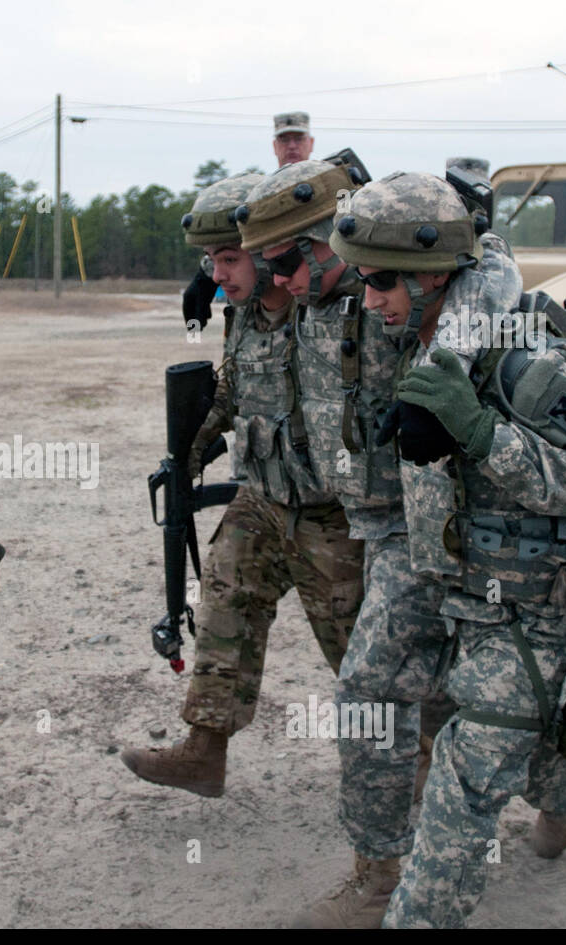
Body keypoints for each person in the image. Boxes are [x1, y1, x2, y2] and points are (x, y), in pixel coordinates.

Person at [332, 170, 566, 929]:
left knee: (462, 787)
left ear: (436, 272)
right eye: (364, 281)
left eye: (384, 282)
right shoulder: (422, 340)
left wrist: (485, 434)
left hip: (526, 612)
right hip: (449, 591)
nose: (371, 300)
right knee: (527, 759)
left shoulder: (522, 357)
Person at [234, 161, 461, 927]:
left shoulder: (412, 293)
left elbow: (480, 265)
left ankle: (379, 877)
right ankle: (384, 872)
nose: (281, 280)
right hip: (371, 526)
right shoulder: (320, 302)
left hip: (435, 532)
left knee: (414, 693)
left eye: (290, 262)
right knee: (422, 692)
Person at [121, 174, 364, 796]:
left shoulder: (335, 302)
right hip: (261, 500)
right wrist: (190, 448)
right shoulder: (247, 315)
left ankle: (435, 760)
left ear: (267, 251)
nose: (218, 274)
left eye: (229, 259)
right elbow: (233, 389)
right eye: (211, 262)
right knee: (225, 606)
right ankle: (204, 750)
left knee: (364, 655)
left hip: (333, 515)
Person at [181, 112, 317, 338]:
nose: (292, 146)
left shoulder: (329, 195)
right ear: (274, 146)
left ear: (311, 143)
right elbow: (239, 242)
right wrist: (205, 274)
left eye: (299, 139)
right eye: (284, 140)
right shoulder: (259, 197)